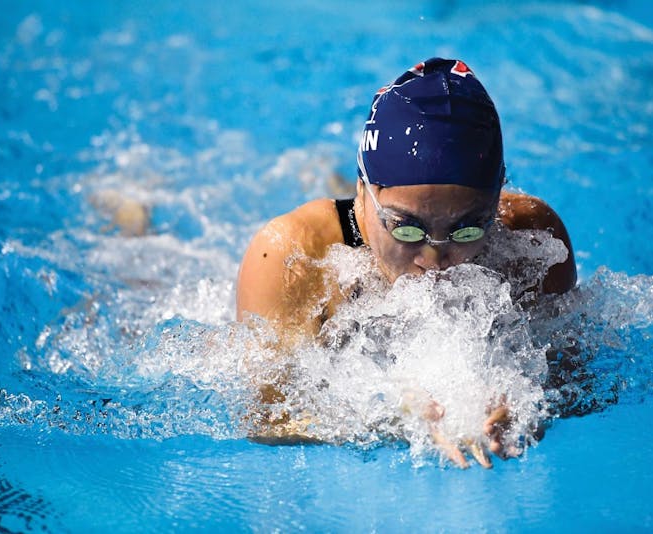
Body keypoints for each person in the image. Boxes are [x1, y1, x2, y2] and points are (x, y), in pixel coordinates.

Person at [236, 58, 577, 468]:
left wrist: (529, 402)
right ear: (363, 189)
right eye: (406, 228)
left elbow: (575, 373)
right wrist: (387, 415)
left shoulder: (532, 241)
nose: (434, 259)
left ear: (496, 199)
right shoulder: (295, 255)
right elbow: (264, 419)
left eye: (467, 229)